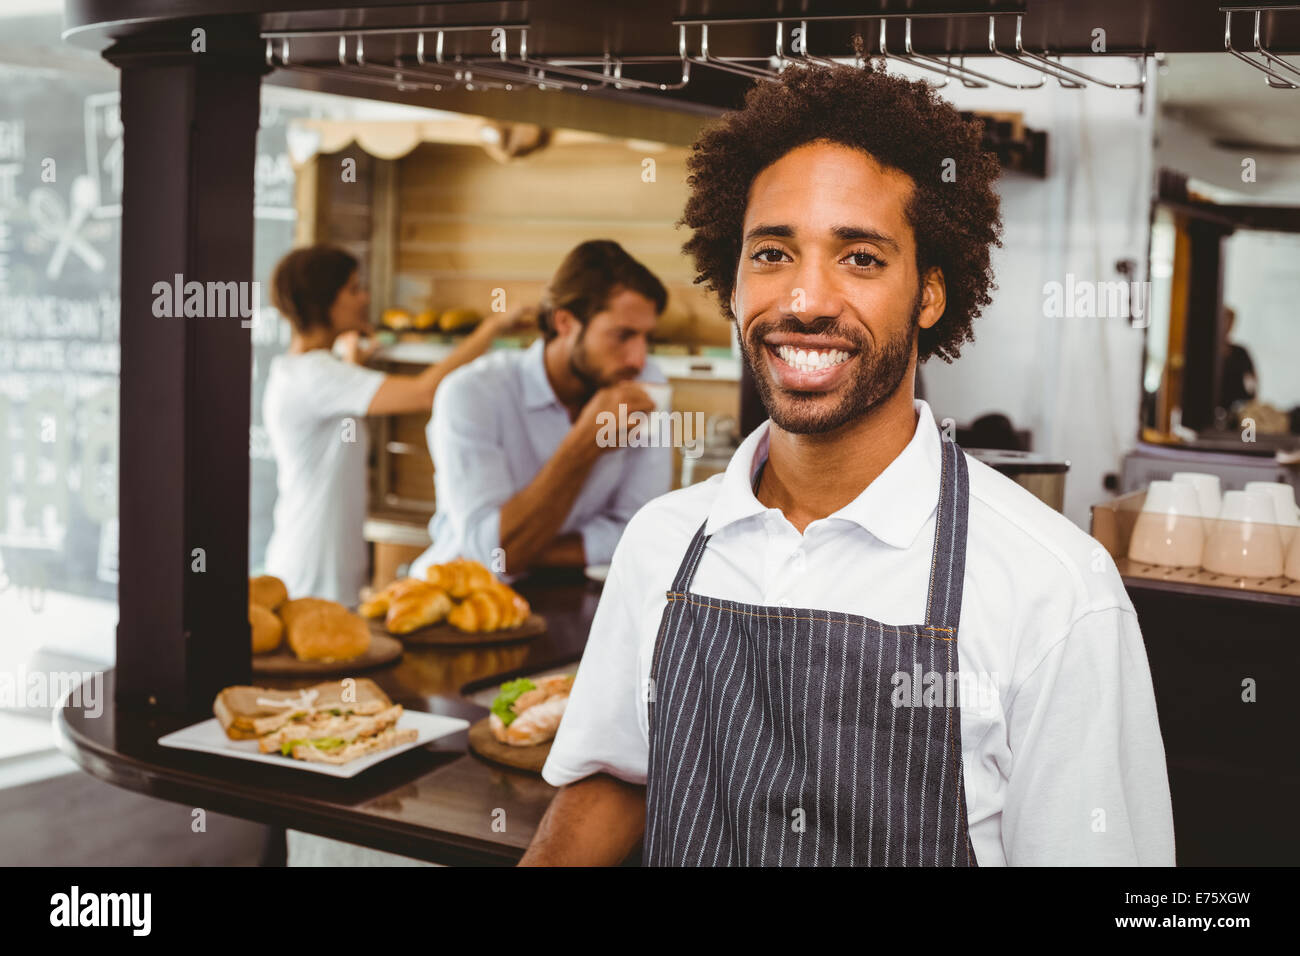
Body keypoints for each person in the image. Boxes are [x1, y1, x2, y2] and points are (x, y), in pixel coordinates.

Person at [523, 49, 1176, 866]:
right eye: (772, 253)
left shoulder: (1056, 591)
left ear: (930, 293)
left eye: (860, 257)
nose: (806, 300)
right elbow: (615, 779)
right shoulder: (662, 543)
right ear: (730, 278)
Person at [261, 244, 519, 603]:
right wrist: (489, 330)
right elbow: (424, 393)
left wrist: (354, 364)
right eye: (352, 289)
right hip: (312, 574)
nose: (364, 298)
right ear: (325, 303)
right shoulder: (316, 377)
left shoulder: (307, 373)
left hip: (318, 565)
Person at [409, 240, 673, 579]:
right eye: (623, 335)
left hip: (572, 598)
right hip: (462, 603)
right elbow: (494, 558)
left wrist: (527, 550)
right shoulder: (472, 394)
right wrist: (583, 444)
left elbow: (639, 531)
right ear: (565, 322)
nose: (638, 358)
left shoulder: (645, 383)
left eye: (646, 338)